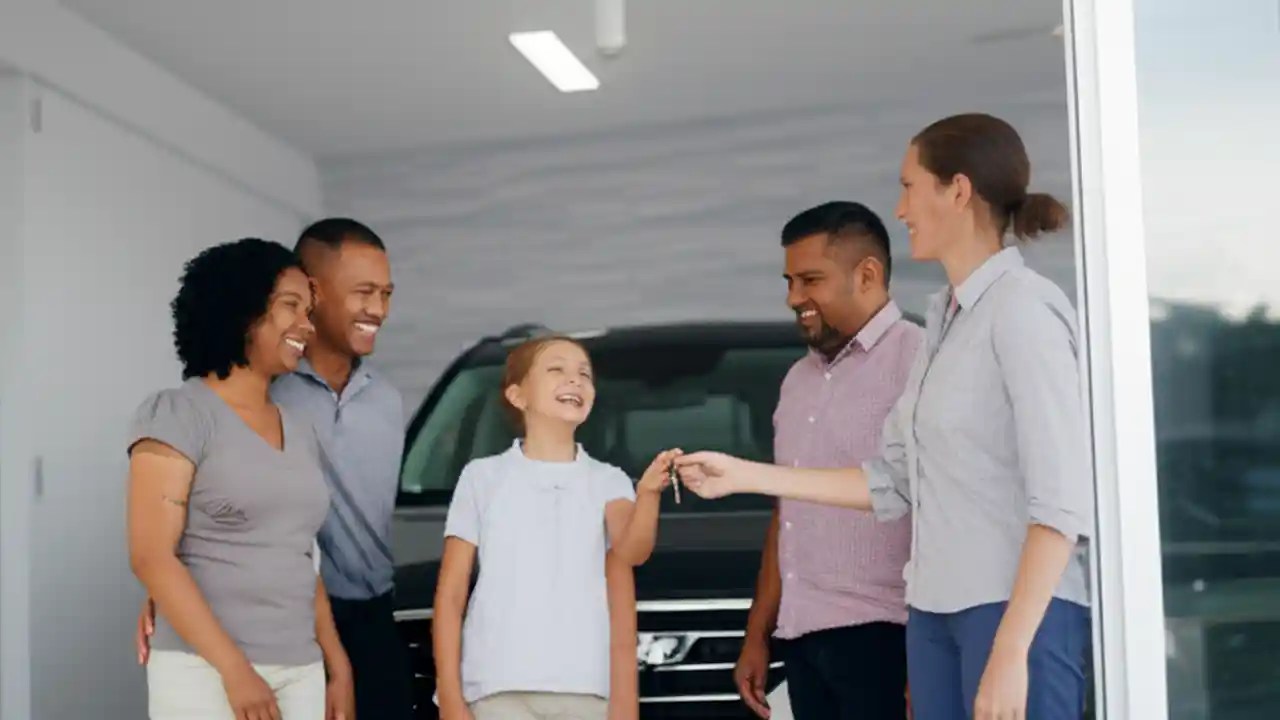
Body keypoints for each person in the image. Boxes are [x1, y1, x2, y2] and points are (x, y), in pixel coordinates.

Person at [676, 113, 1093, 720]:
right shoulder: (943, 327)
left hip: (1011, 615)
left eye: (908, 186)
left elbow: (1060, 503)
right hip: (933, 616)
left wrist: (1010, 649)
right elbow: (888, 480)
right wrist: (744, 475)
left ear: (957, 189)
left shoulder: (1025, 311)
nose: (900, 210)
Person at [138, 217, 414, 719]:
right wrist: (170, 600)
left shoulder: (356, 410)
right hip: (228, 653)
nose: (378, 308)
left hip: (329, 638)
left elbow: (295, 547)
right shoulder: (207, 404)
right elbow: (160, 548)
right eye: (363, 292)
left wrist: (337, 661)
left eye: (386, 293)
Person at [734, 202, 922, 720]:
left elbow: (944, 510)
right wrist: (758, 635)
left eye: (810, 279)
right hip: (801, 641)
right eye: (789, 281)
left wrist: (928, 656)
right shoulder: (796, 382)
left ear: (868, 274)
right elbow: (786, 514)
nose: (795, 298)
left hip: (890, 640)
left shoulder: (921, 362)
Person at [433, 335, 676, 720]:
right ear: (517, 395)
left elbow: (632, 555)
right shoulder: (482, 478)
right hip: (496, 687)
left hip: (586, 691)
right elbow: (449, 597)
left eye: (584, 374)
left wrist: (647, 494)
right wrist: (449, 696)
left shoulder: (609, 482)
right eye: (556, 370)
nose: (575, 380)